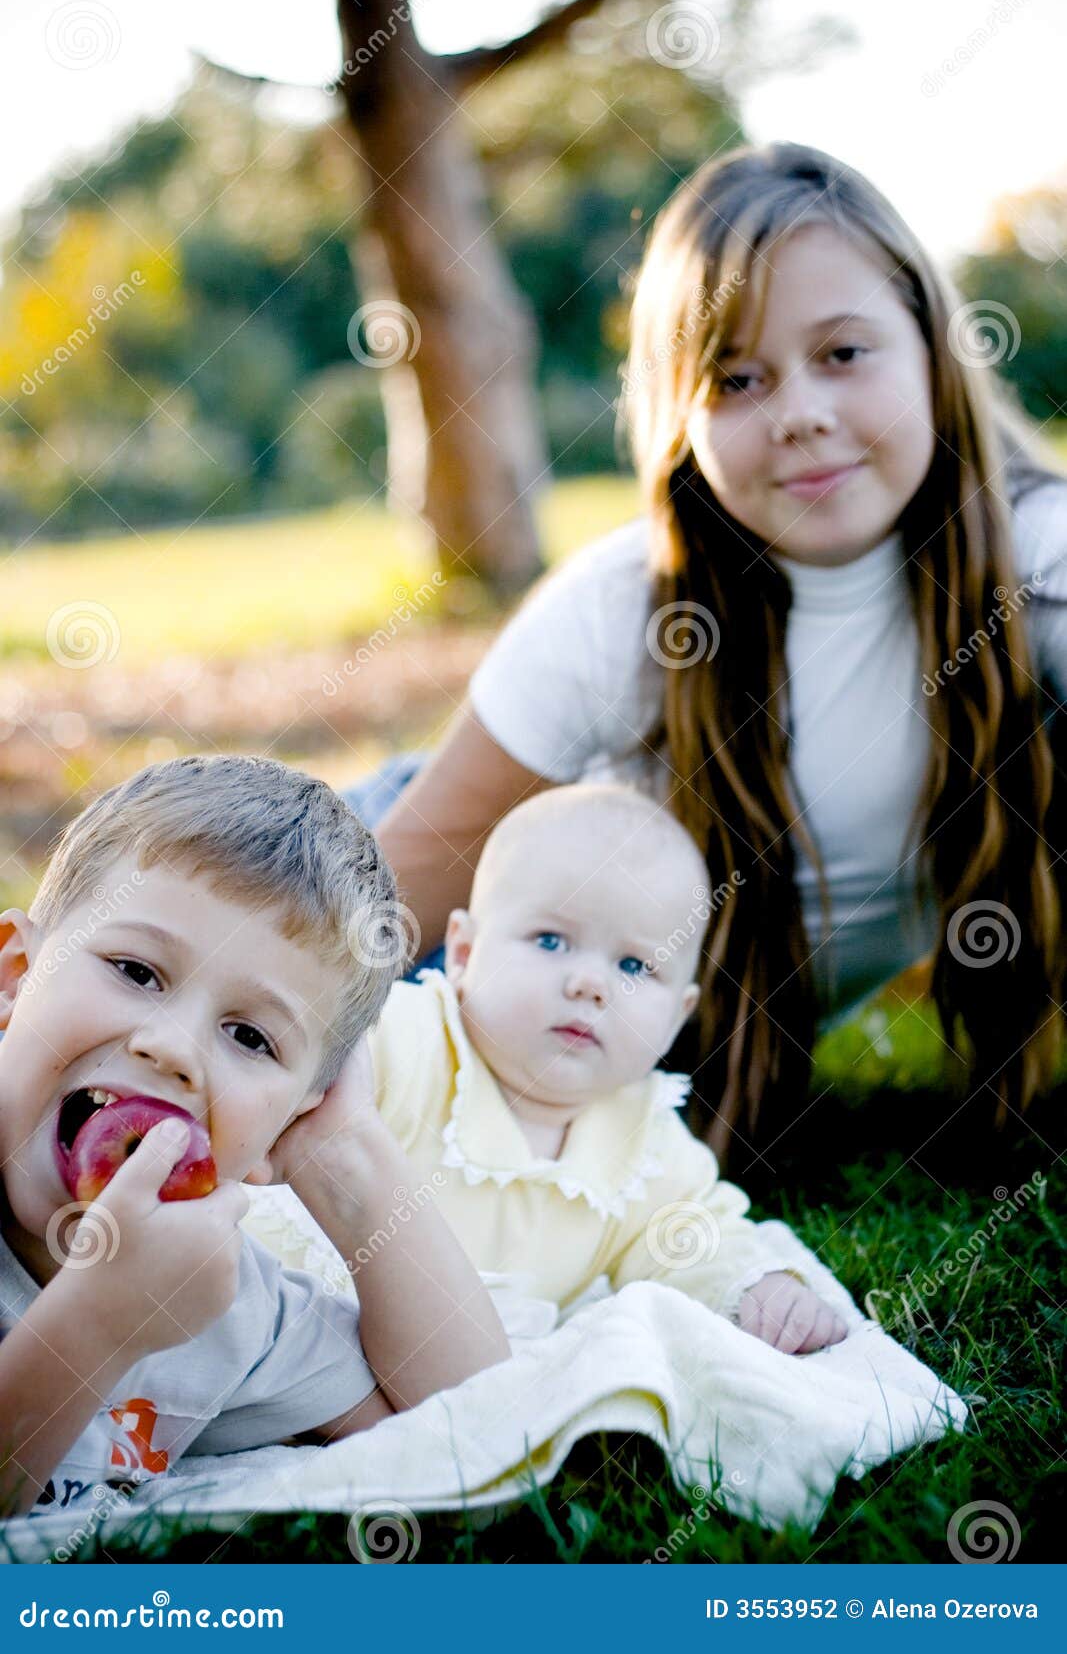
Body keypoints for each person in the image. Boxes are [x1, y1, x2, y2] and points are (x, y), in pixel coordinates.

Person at [353, 141, 1067, 1165]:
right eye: (737, 378)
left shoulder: (1035, 564)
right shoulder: (621, 613)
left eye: (842, 353)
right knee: (197, 981)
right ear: (679, 414)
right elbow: (369, 910)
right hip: (451, 901)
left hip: (603, 1012)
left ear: (930, 352)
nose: (801, 415)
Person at [0, 754, 509, 1520]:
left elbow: (483, 1438)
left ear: (291, 1119)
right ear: (13, 974)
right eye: (137, 972)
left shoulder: (221, 1298)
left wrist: (349, 1161)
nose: (171, 1048)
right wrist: (98, 1325)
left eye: (249, 1036)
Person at [243, 783, 851, 1357]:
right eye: (551, 941)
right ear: (464, 952)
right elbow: (287, 1074)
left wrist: (756, 1291)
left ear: (678, 1015)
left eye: (636, 967)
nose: (589, 984)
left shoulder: (646, 1146)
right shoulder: (403, 1039)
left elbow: (696, 1242)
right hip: (274, 1310)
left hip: (434, 1366)